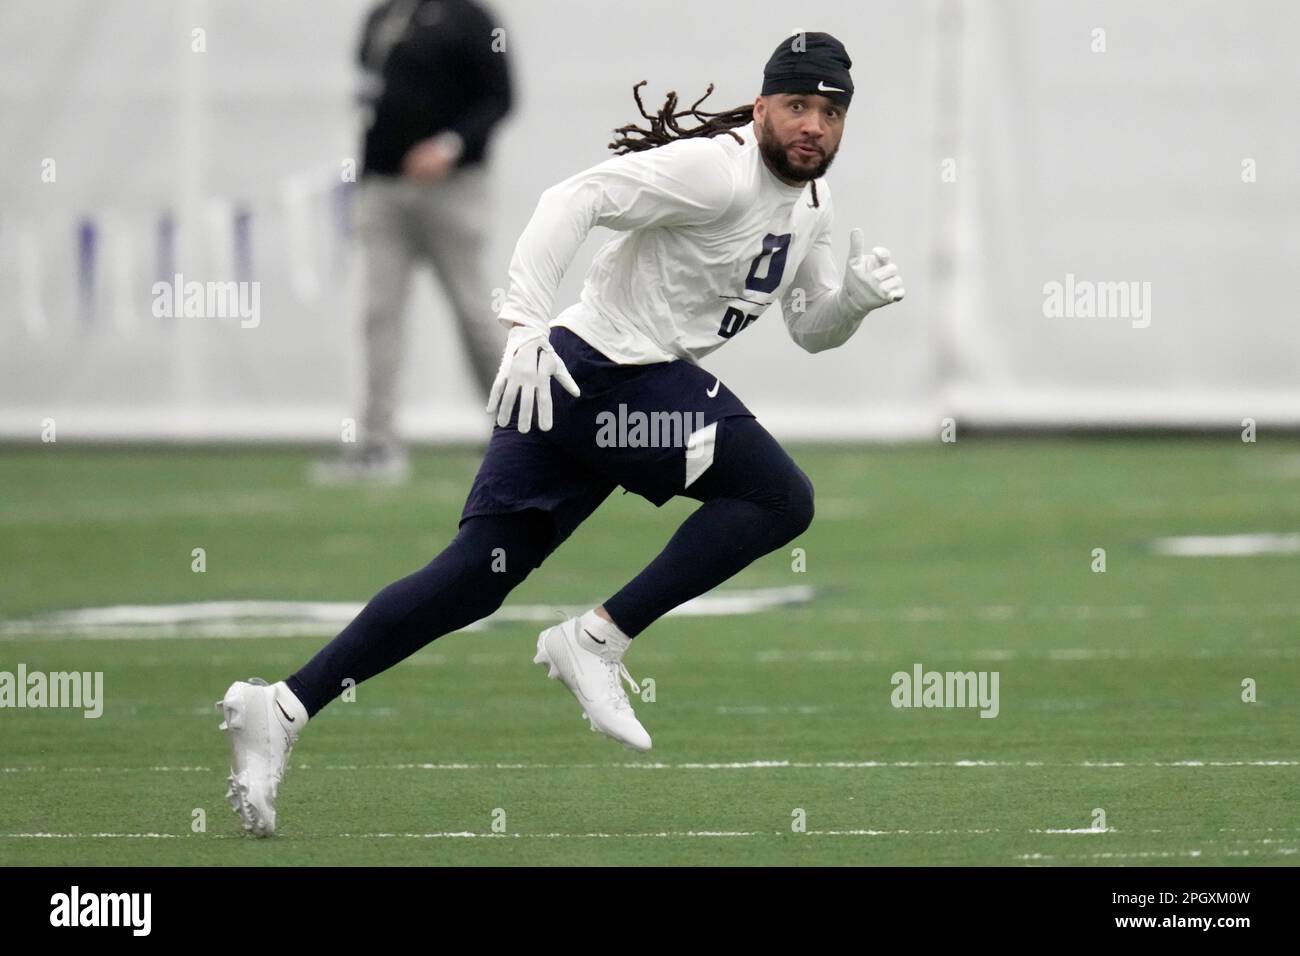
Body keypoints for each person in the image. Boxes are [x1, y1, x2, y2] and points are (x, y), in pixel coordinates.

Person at [220, 31, 905, 837]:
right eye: (797, 105)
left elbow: (807, 328)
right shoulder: (714, 170)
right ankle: (597, 640)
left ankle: (284, 705)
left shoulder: (814, 207)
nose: (813, 125)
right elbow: (571, 199)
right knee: (779, 496)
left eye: (830, 111)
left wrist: (851, 304)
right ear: (762, 107)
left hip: (586, 385)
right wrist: (523, 327)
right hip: (598, 372)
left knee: (475, 575)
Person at [315, 0, 513, 483]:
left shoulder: (472, 19)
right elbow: (372, 92)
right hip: (383, 188)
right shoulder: (383, 16)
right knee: (379, 314)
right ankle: (376, 443)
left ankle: (516, 435)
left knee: (474, 313)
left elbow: (501, 98)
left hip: (452, 189)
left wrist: (448, 145)